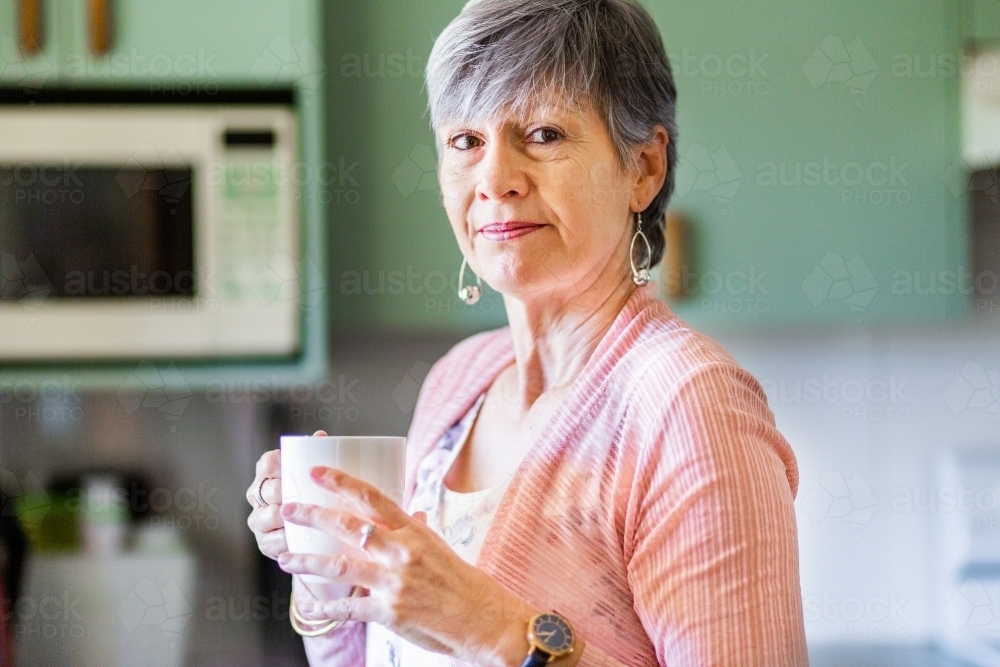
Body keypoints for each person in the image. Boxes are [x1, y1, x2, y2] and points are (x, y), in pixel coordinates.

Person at [247, 0, 808, 664]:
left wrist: (489, 625)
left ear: (644, 169)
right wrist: (326, 573)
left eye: (543, 134)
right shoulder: (461, 379)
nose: (494, 180)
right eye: (466, 142)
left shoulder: (689, 405)